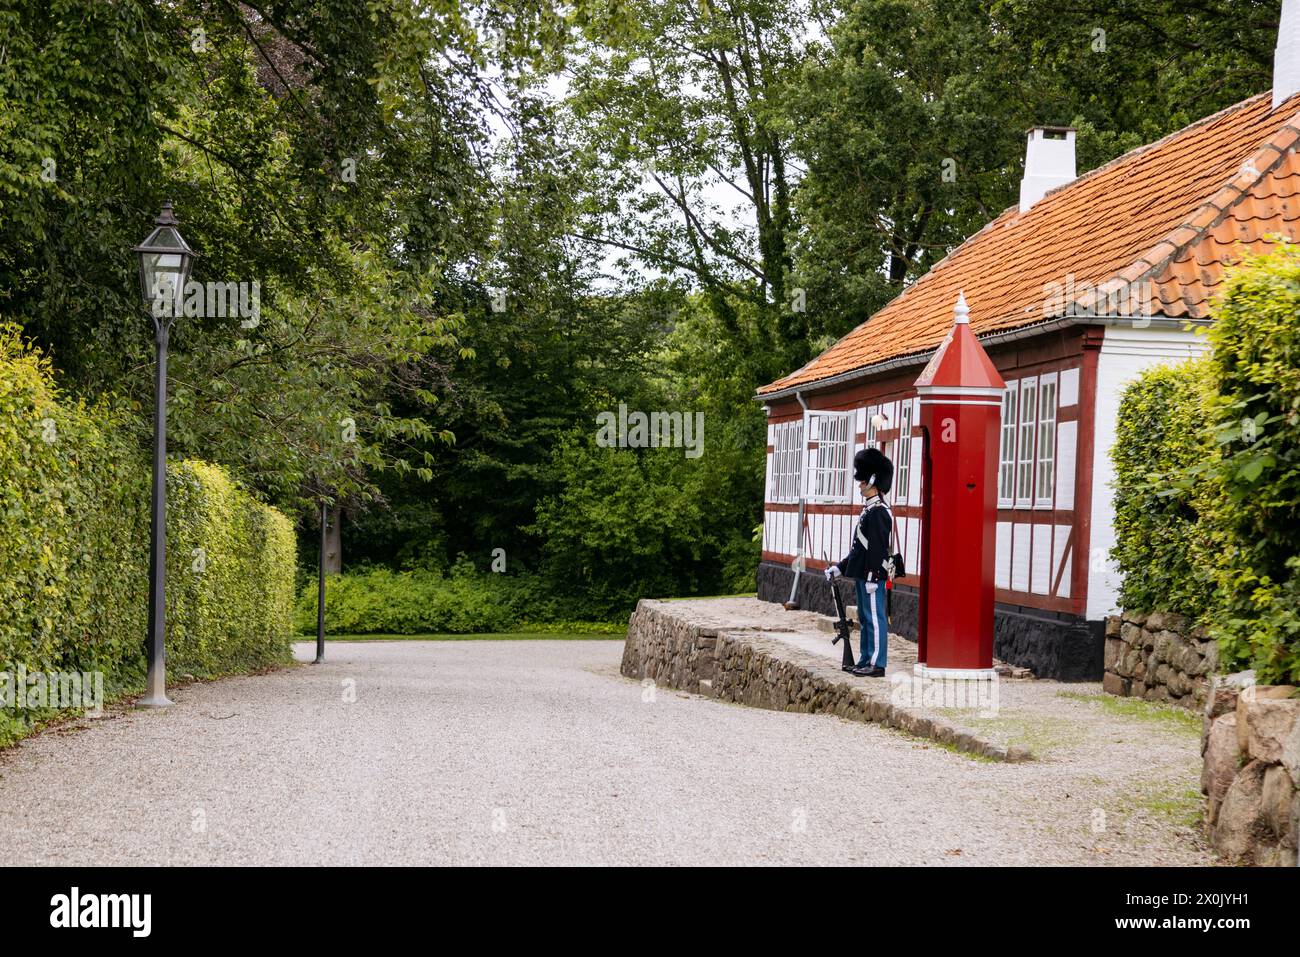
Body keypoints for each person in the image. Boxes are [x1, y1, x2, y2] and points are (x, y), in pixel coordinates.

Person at [824, 448, 894, 678]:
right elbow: (859, 549)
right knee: (865, 618)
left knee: (875, 618)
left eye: (862, 479)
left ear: (873, 480)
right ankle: (866, 658)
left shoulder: (880, 512)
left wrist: (874, 577)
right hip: (863, 575)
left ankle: (876, 662)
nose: (859, 484)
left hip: (872, 576)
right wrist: (840, 567)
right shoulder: (869, 511)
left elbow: (877, 550)